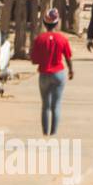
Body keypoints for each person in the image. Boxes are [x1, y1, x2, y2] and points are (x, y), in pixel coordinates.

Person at [30, 8, 73, 136]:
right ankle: (53, 132)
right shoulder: (62, 39)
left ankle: (45, 132)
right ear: (56, 23)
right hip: (58, 74)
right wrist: (71, 70)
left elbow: (34, 60)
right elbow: (68, 57)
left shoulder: (39, 39)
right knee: (56, 104)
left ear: (44, 23)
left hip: (44, 74)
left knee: (45, 105)